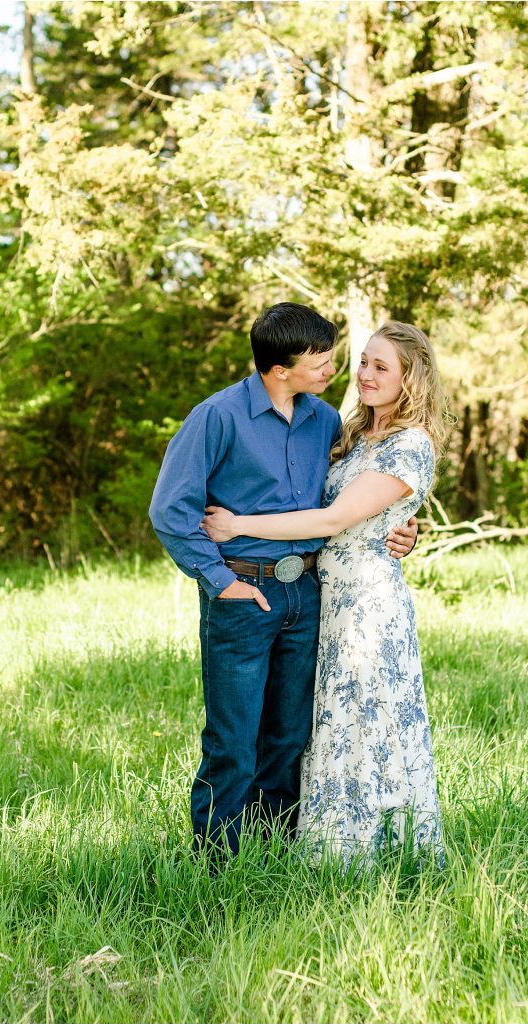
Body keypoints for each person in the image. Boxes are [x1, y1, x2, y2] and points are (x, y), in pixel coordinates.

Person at [149, 303, 417, 859]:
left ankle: (271, 854)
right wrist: (220, 581)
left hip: (310, 593)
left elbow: (354, 498)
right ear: (279, 369)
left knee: (291, 737)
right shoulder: (217, 417)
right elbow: (170, 510)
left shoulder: (325, 421)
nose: (334, 371)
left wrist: (403, 528)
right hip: (244, 593)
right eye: (320, 363)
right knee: (233, 739)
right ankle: (216, 863)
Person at [200, 321, 449, 864]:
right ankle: (291, 844)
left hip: (365, 605)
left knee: (364, 722)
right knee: (321, 723)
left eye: (381, 367)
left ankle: (367, 850)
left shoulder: (409, 445)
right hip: (321, 597)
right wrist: (401, 525)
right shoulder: (349, 431)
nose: (363, 374)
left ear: (411, 378)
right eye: (364, 361)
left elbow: (335, 518)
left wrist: (238, 525)